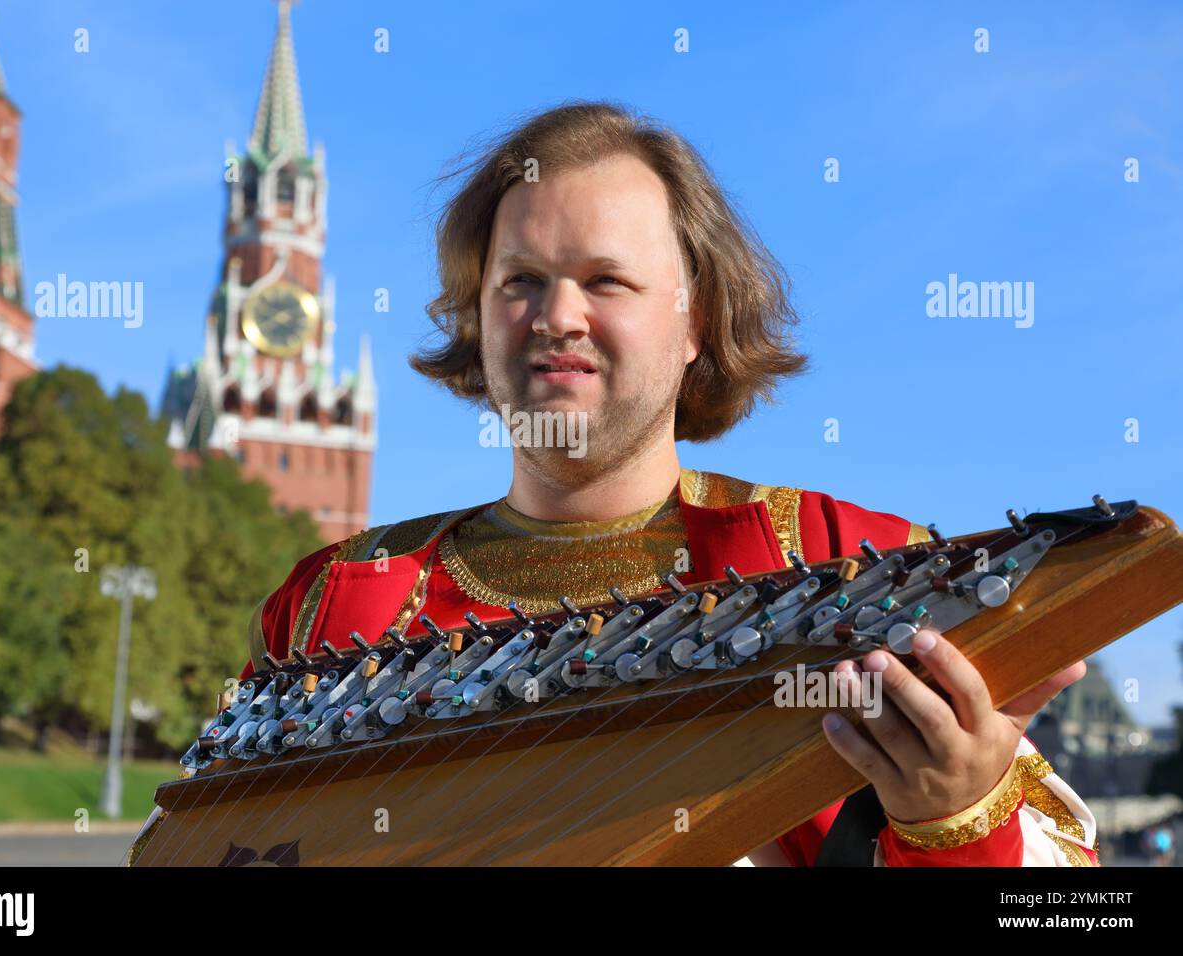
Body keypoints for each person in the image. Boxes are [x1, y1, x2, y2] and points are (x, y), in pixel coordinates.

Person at [240, 101, 1099, 867]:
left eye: (606, 280)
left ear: (695, 321)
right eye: (520, 282)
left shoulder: (858, 564)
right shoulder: (333, 604)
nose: (557, 317)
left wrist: (959, 821)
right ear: (477, 316)